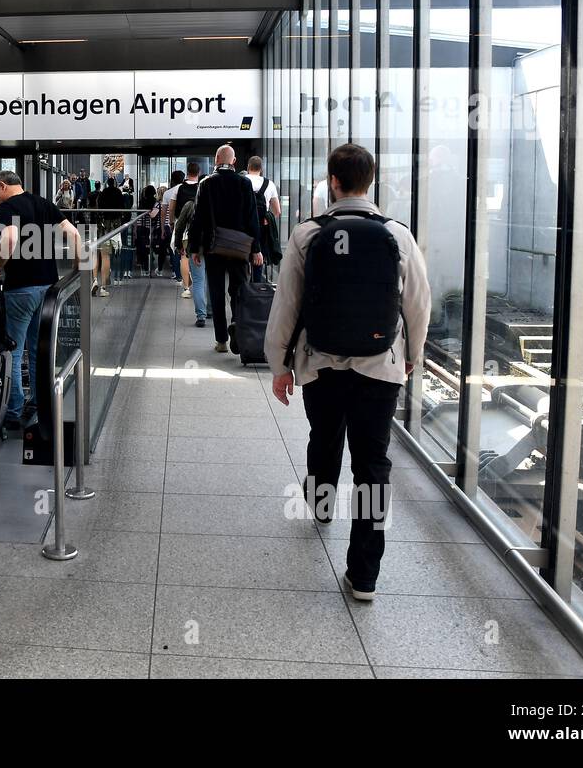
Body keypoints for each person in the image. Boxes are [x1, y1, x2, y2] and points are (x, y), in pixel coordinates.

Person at [266, 143, 431, 602]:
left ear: (332, 182)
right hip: (380, 369)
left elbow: (287, 308)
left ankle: (320, 506)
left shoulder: (307, 235)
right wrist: (412, 353)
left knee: (324, 436)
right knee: (372, 466)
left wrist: (280, 365)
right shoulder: (398, 235)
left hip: (320, 365)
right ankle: (364, 575)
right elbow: (417, 303)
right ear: (370, 182)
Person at [0, 170, 81, 429]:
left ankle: (14, 412)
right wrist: (75, 270)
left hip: (20, 290)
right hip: (49, 288)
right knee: (38, 350)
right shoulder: (44, 203)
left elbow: (10, 239)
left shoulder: (8, 207)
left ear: (2, 186)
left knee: (13, 353)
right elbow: (74, 235)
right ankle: (39, 402)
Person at [188, 145, 263, 353]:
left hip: (215, 247)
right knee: (239, 290)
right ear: (234, 161)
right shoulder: (244, 183)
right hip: (240, 248)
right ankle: (238, 327)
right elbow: (252, 218)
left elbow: (198, 219)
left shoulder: (206, 183)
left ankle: (221, 340)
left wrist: (195, 247)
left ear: (215, 160)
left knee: (217, 292)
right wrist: (256, 248)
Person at [169, 163, 203, 299]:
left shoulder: (178, 188)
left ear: (187, 172)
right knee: (198, 255)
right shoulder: (202, 187)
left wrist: (172, 223)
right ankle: (197, 284)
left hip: (182, 227)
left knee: (184, 255)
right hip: (198, 227)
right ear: (198, 172)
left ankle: (186, 287)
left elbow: (171, 208)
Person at [96, 177, 126, 289]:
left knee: (105, 250)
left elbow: (100, 205)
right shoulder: (118, 192)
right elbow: (122, 205)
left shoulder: (104, 192)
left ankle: (102, 280)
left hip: (106, 221)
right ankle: (117, 275)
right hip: (116, 220)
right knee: (117, 245)